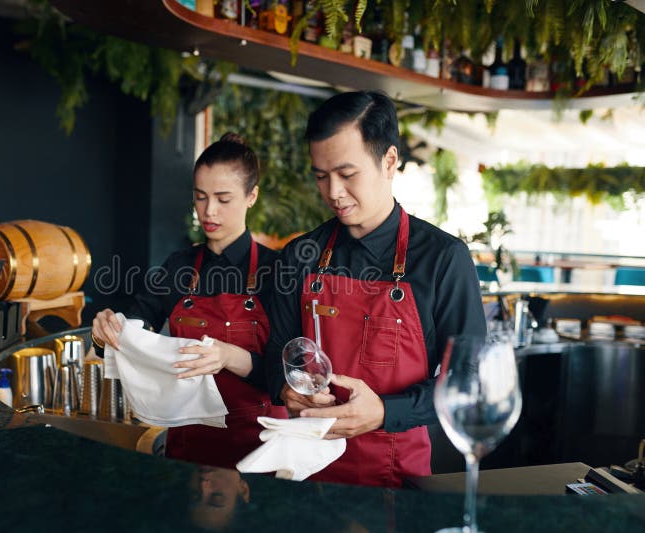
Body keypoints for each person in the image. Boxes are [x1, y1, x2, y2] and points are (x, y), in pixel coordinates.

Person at [265, 91, 486, 487]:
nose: (333, 192)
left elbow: (466, 381)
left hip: (397, 483)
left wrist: (386, 411)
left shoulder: (443, 259)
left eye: (347, 174)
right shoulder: (299, 255)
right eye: (321, 175)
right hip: (304, 474)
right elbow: (274, 354)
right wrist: (285, 388)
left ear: (389, 161)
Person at [91, 132, 287, 469]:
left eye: (223, 199)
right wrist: (105, 332)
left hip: (259, 448)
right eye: (200, 197)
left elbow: (285, 376)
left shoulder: (278, 270)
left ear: (251, 196)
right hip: (188, 446)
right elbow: (135, 325)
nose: (209, 211)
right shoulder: (179, 266)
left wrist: (228, 356)